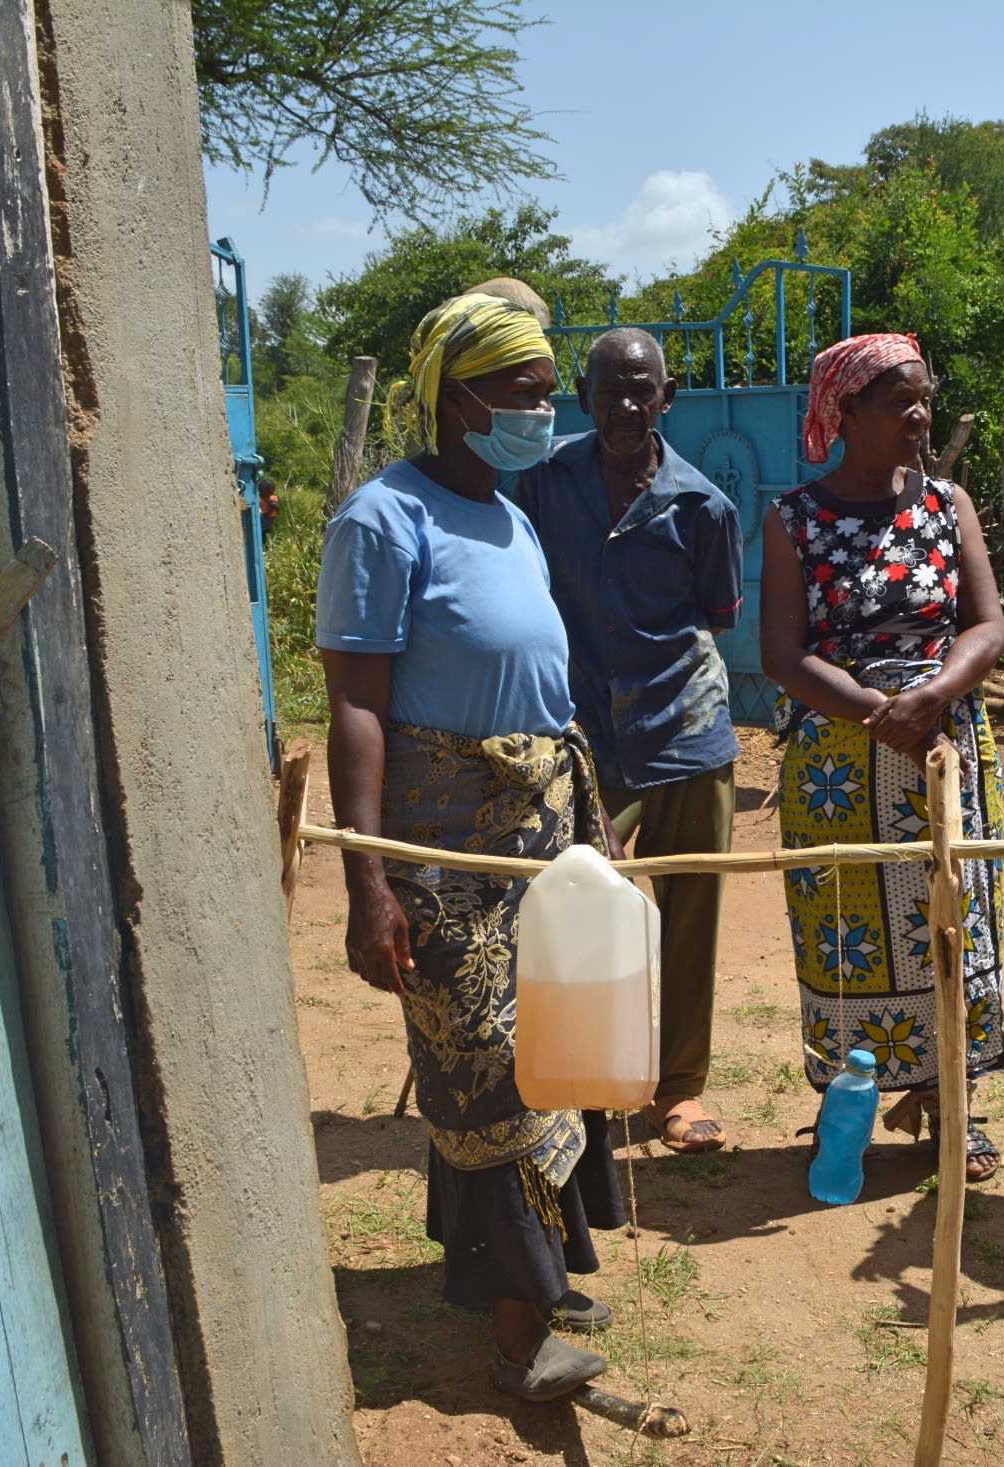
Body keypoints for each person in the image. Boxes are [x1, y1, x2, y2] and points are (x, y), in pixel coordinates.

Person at [314, 293, 624, 1403]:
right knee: (489, 1073)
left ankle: (539, 1275)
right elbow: (354, 702)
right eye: (526, 394)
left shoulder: (510, 514)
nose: (546, 412)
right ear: (456, 398)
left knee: (562, 1051)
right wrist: (370, 878)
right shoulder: (383, 520)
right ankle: (518, 1341)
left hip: (543, 841)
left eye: (549, 393)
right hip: (450, 851)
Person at [759, 333, 1004, 1182]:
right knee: (849, 937)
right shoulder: (794, 517)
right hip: (842, 757)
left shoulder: (948, 503)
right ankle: (851, 1102)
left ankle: (955, 1104)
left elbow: (987, 623)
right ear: (847, 413)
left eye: (925, 397)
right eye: (900, 400)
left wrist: (933, 697)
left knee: (952, 923)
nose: (920, 414)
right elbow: (784, 654)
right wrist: (876, 710)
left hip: (944, 749)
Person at [516, 327, 743, 1154]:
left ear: (666, 398)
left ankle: (678, 1088)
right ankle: (579, 1080)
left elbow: (717, 617)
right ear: (583, 398)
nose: (624, 405)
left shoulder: (703, 507)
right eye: (608, 389)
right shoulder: (542, 485)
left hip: (684, 730)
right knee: (569, 905)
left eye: (640, 389)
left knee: (690, 916)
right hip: (578, 736)